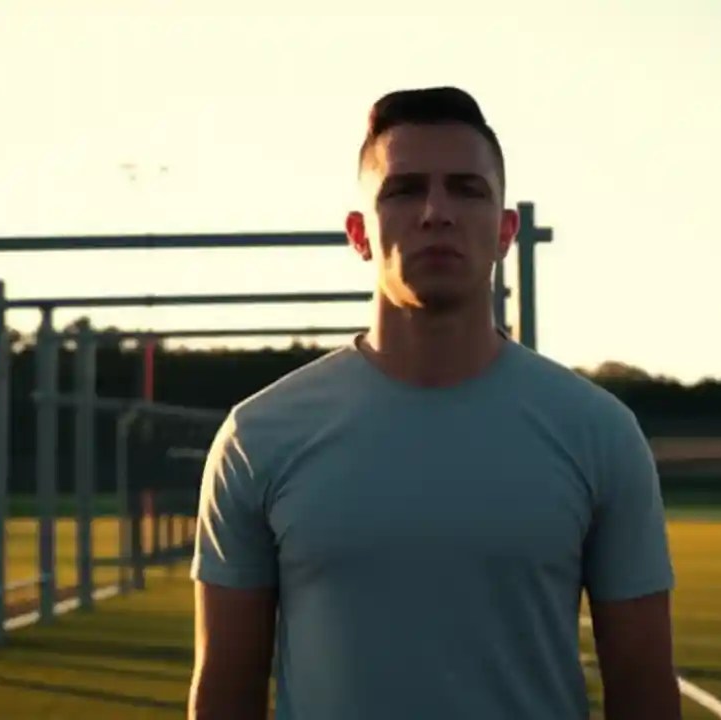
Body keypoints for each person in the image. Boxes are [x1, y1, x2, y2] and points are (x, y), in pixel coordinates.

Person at [188, 86, 680, 720]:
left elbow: (644, 689)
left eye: (467, 190)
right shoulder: (258, 437)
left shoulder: (599, 432)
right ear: (359, 234)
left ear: (505, 231)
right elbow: (225, 691)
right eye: (404, 190)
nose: (436, 212)